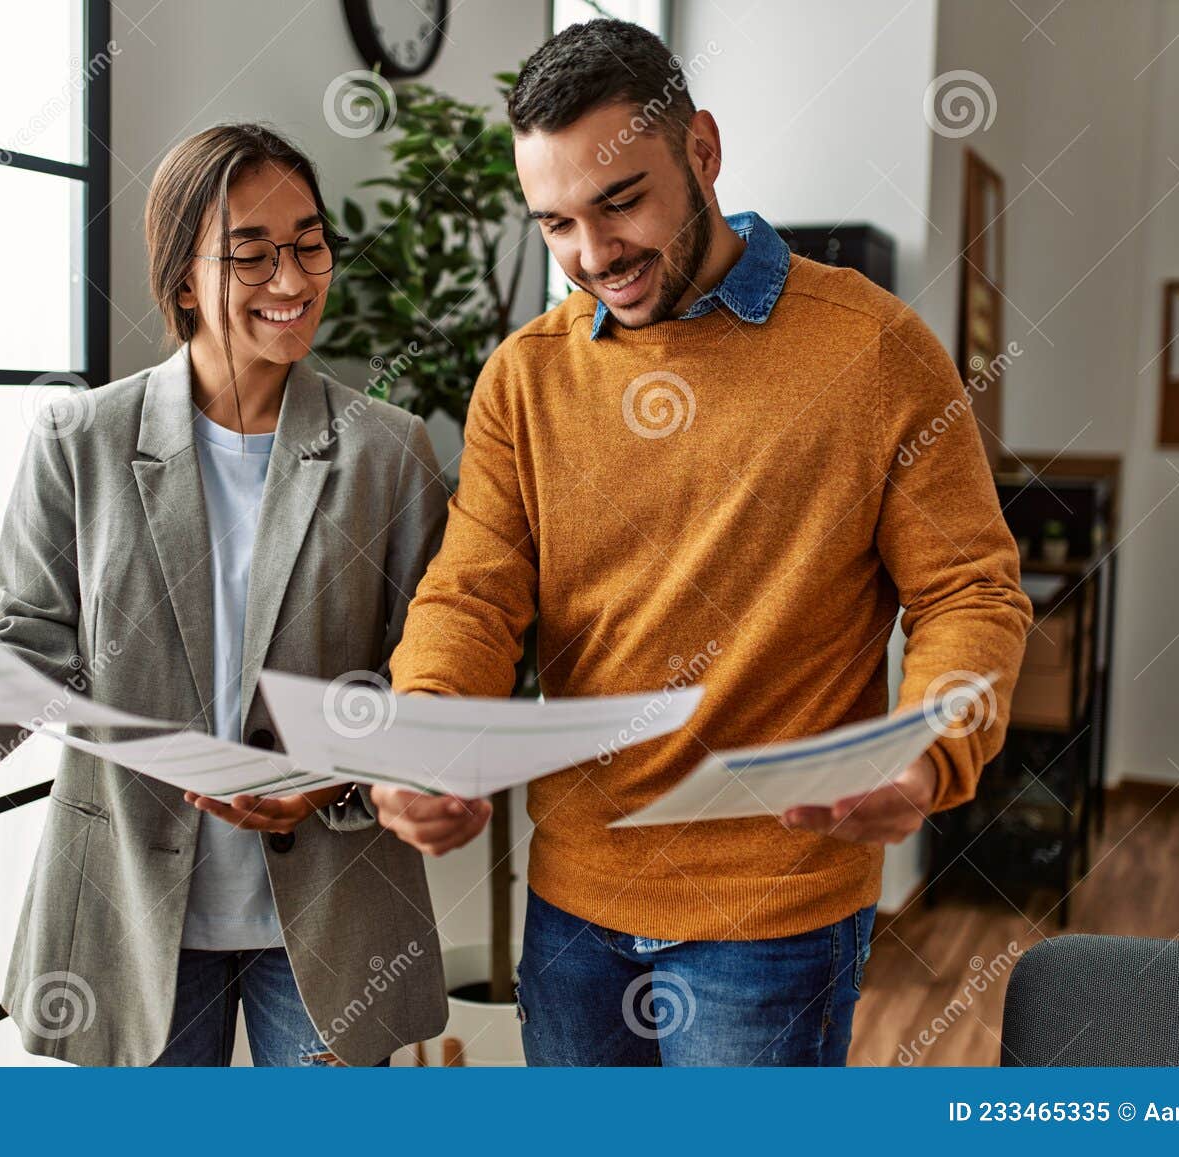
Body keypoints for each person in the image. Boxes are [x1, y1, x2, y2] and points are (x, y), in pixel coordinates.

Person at [372, 20, 1033, 1066]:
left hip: (772, 913)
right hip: (574, 901)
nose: (593, 257)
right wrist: (428, 726)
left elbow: (970, 594)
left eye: (622, 201)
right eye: (555, 225)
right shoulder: (524, 377)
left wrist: (928, 746)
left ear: (703, 151)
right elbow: (473, 591)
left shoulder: (872, 349)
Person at [0, 122, 449, 1067]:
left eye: (309, 244)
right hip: (127, 902)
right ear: (180, 282)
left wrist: (334, 769)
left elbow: (428, 666)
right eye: (250, 254)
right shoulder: (80, 439)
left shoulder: (388, 449)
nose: (291, 281)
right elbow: (33, 642)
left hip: (333, 911)